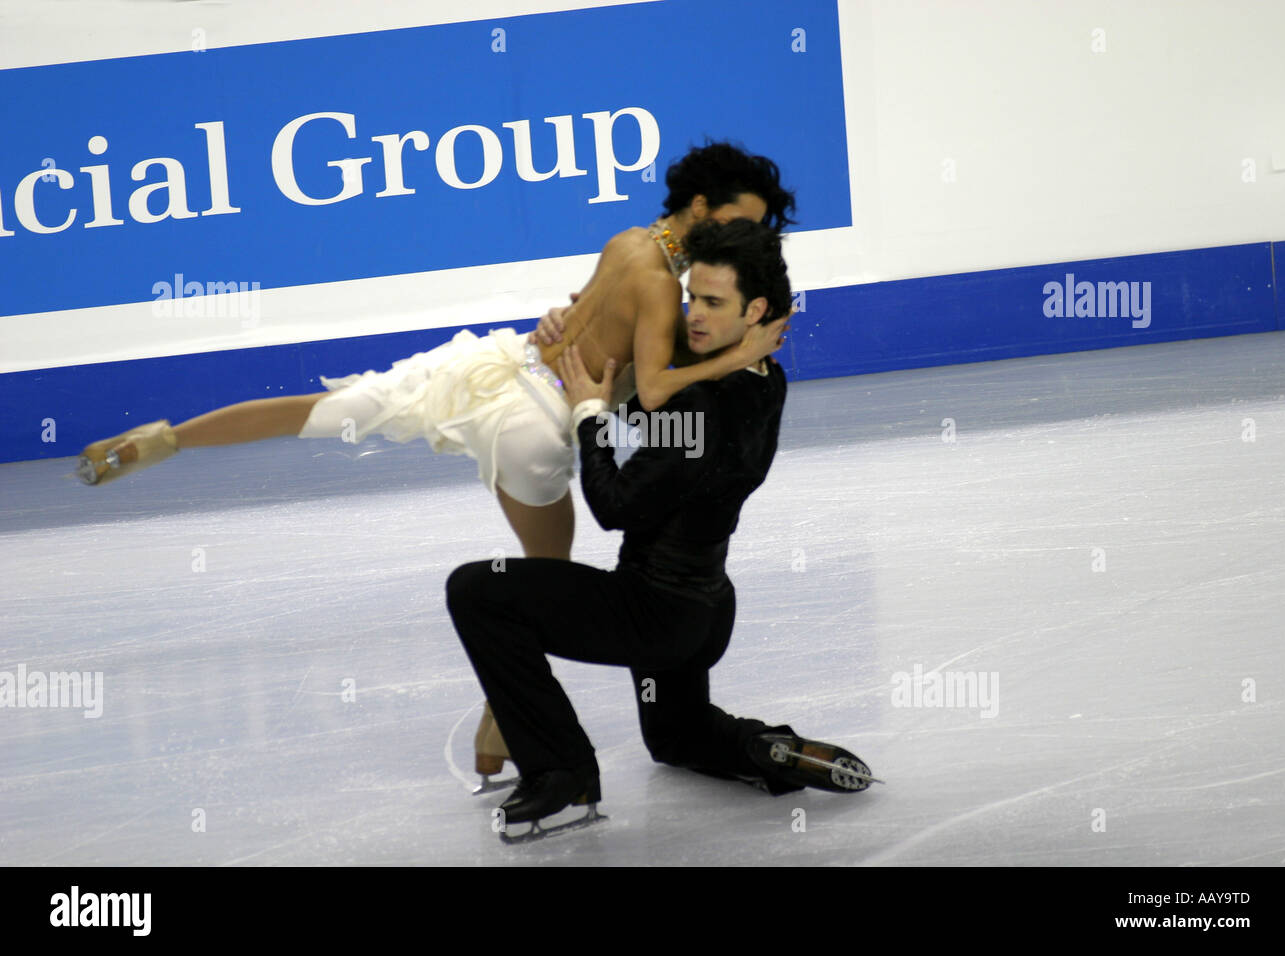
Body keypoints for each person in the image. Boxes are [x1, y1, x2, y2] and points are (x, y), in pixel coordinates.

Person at [75, 142, 797, 786]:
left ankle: (168, 438)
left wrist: (563, 323)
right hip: (536, 424)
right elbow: (657, 387)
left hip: (492, 367)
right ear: (702, 207)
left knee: (325, 410)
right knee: (542, 589)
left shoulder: (628, 241)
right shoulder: (670, 295)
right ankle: (502, 729)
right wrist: (740, 354)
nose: (750, 237)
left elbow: (578, 317)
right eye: (744, 220)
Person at [445, 219, 875, 843]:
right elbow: (664, 371)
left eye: (711, 303)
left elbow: (613, 505)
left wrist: (590, 414)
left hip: (650, 612)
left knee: (478, 592)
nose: (692, 315)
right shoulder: (763, 379)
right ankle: (761, 749)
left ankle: (562, 773)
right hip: (705, 611)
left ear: (755, 310)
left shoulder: (697, 408)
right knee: (676, 736)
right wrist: (572, 325)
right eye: (690, 297)